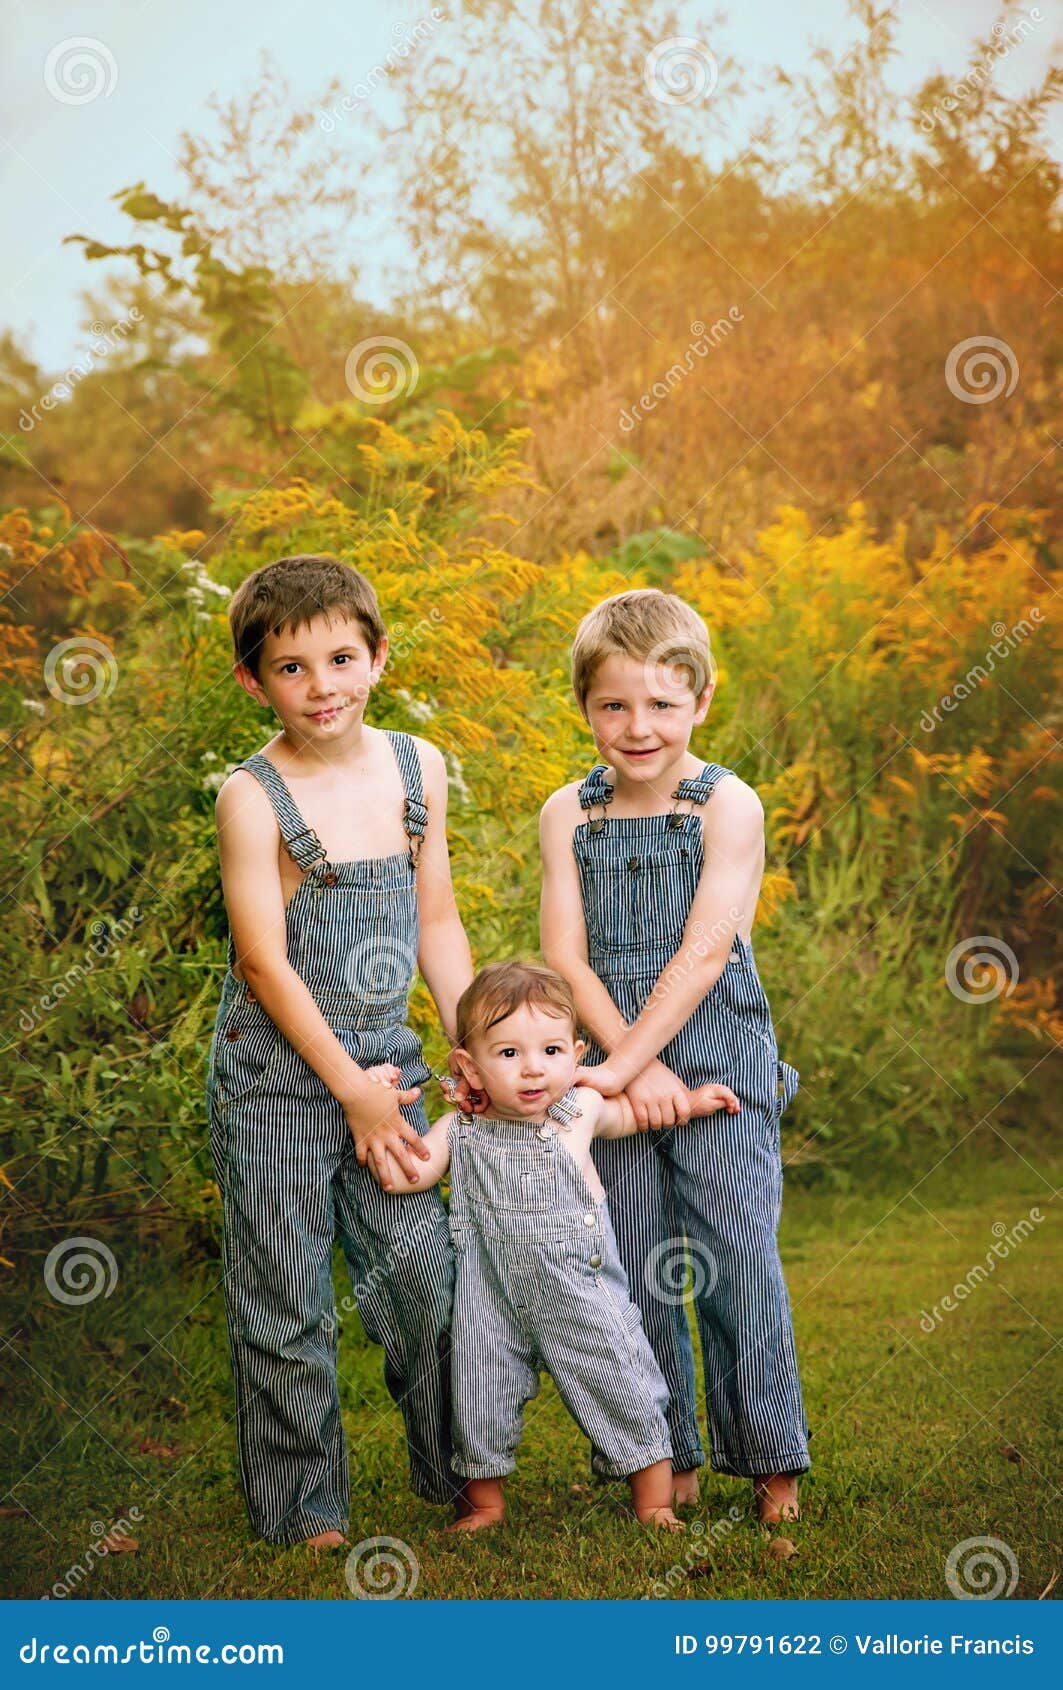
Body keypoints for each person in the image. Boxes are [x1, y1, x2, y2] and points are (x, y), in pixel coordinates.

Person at [205, 552, 473, 1548]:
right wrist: (350, 1096)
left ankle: (458, 1477)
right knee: (283, 1302)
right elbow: (265, 967)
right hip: (277, 1075)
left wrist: (465, 1044)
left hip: (385, 1059)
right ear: (253, 680)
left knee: (421, 1279)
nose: (322, 686)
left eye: (341, 657)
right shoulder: (252, 797)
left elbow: (436, 921)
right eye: (291, 667)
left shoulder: (417, 768)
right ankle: (304, 1511)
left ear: (378, 656)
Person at [538, 588, 810, 1525]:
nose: (637, 726)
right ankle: (666, 1459)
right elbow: (565, 957)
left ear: (700, 698)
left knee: (737, 1255)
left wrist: (629, 1064)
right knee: (633, 1256)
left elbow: (703, 950)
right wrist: (625, 1065)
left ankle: (771, 1464)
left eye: (660, 703)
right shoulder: (568, 812)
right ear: (585, 709)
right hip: (617, 1048)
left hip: (719, 1048)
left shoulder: (726, 804)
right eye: (613, 705)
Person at [372, 960, 740, 1533]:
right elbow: (405, 1177)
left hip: (579, 1286)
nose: (533, 1070)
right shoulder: (458, 1130)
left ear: (577, 1053)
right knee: (477, 1390)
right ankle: (485, 1504)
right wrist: (381, 1114)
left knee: (619, 1377)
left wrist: (692, 1103)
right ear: (469, 1065)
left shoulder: (579, 1110)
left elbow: (634, 1116)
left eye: (550, 1051)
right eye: (509, 1054)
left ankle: (654, 1503)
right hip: (487, 1290)